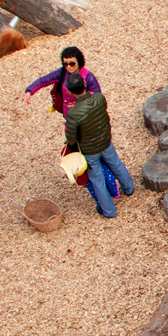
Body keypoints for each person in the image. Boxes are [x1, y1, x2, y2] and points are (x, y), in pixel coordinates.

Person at [63, 73, 134, 218]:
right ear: (84, 83)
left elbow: (71, 137)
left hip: (89, 150)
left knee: (97, 179)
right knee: (115, 163)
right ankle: (129, 188)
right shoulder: (99, 98)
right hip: (105, 141)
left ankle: (109, 211)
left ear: (69, 92)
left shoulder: (73, 114)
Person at [24, 47, 100, 118]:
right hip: (69, 114)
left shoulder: (88, 77)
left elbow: (97, 96)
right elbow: (43, 80)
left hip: (85, 115)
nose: (68, 67)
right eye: (65, 64)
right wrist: (29, 91)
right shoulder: (62, 73)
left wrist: (78, 105)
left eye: (72, 64)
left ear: (79, 62)